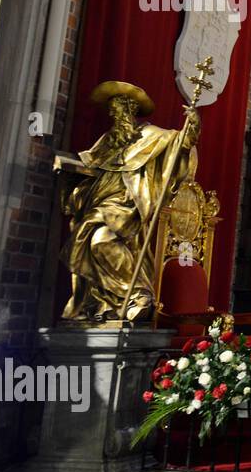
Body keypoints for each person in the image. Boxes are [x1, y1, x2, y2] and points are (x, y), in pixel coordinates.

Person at [62, 82, 199, 322]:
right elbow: (91, 164)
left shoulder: (150, 136)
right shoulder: (108, 140)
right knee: (87, 242)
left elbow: (179, 146)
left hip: (127, 207)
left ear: (130, 109)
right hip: (98, 203)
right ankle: (102, 303)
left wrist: (192, 127)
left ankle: (138, 294)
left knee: (100, 240)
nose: (113, 114)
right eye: (111, 110)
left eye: (117, 109)